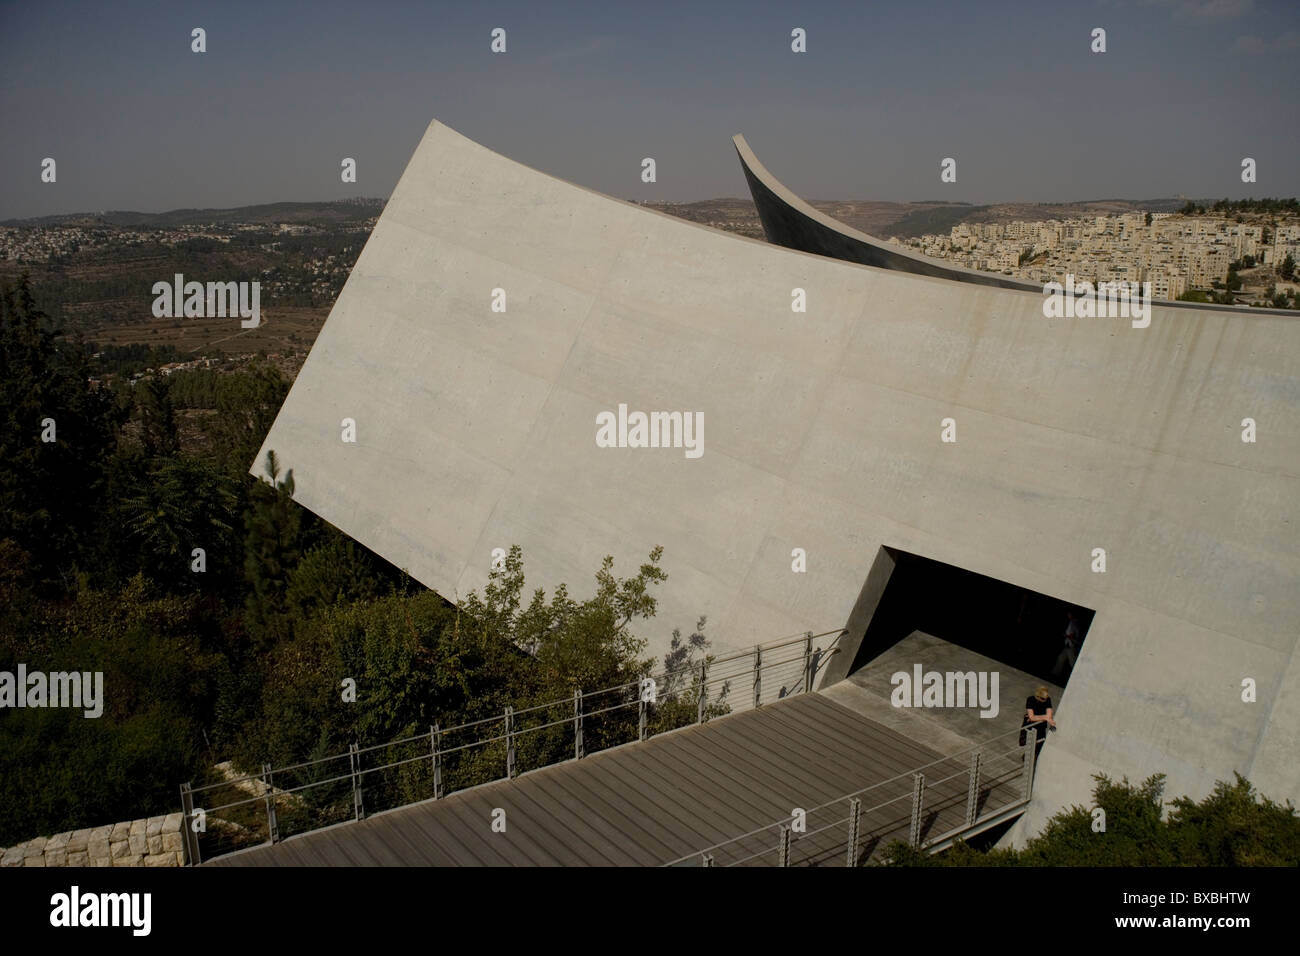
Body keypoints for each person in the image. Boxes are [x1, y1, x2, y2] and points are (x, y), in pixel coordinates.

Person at [1021, 686, 1055, 764]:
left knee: (1039, 743)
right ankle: (1027, 757)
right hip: (1031, 725)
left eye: (1045, 698)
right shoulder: (1030, 699)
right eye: (1043, 699)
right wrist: (1045, 718)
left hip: (1041, 726)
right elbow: (1031, 717)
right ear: (1037, 696)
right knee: (1030, 741)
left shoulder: (1047, 699)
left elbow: (1049, 715)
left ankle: (1034, 758)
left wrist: (1040, 717)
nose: (1045, 700)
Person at [1051, 610, 1082, 679]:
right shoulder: (1071, 622)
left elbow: (1075, 634)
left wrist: (1068, 636)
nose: (1068, 615)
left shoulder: (1075, 622)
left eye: (1069, 614)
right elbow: (1069, 633)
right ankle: (1055, 674)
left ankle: (1077, 677)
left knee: (1072, 662)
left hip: (1071, 645)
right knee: (1060, 658)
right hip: (1067, 644)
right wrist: (1066, 635)